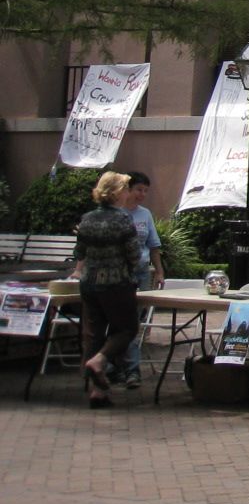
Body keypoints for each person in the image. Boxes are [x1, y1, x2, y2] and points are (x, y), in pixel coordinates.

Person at [72, 172, 142, 409]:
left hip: (89, 283)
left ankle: (97, 393)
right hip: (116, 283)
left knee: (94, 333)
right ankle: (99, 361)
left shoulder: (87, 219)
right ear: (116, 193)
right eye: (124, 188)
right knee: (127, 328)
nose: (127, 193)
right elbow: (134, 254)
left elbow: (79, 253)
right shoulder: (123, 220)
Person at [111, 170, 164, 389]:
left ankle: (129, 369)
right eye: (138, 190)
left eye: (145, 191)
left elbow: (153, 245)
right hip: (120, 274)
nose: (142, 194)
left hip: (141, 272)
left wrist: (159, 271)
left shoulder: (145, 214)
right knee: (120, 322)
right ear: (127, 190)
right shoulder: (115, 214)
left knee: (133, 321)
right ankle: (120, 368)